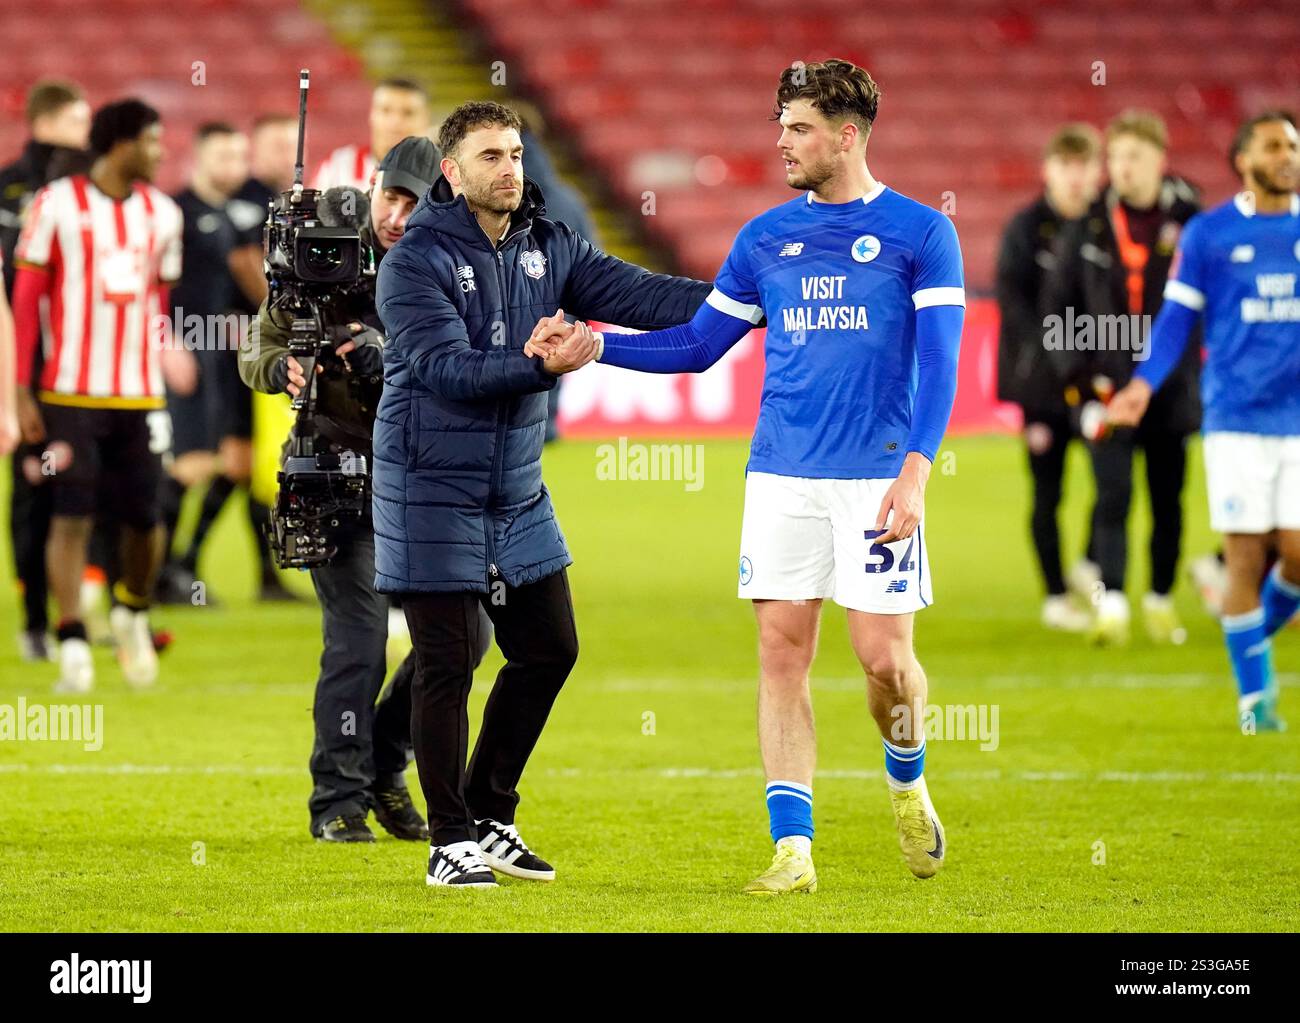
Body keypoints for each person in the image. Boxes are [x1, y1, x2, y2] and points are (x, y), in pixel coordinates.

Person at [529, 58, 964, 895]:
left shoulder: (920, 233)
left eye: (798, 129)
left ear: (847, 135)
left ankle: (906, 775)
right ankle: (793, 849)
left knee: (885, 664)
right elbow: (697, 345)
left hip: (874, 478)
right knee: (780, 653)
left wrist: (915, 473)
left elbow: (940, 368)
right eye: (781, 127)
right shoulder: (765, 238)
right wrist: (597, 346)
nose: (782, 143)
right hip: (780, 476)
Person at [375, 101, 710, 887]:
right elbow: (446, 371)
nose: (510, 168)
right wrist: (541, 368)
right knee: (446, 661)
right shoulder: (414, 261)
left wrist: (750, 296)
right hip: (429, 484)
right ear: (451, 175)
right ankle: (447, 839)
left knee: (551, 646)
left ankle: (491, 813)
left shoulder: (549, 243)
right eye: (490, 156)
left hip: (515, 488)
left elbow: (643, 296)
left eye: (517, 153)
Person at [241, 137, 454, 842]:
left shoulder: (452, 267)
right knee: (358, 637)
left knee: (462, 636)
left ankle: (386, 762)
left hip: (421, 479)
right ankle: (338, 799)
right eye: (390, 196)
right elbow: (256, 351)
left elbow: (466, 364)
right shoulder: (320, 252)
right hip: (330, 475)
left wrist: (387, 356)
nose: (397, 214)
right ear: (373, 186)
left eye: (413, 204)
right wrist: (285, 370)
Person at [1108, 111, 1300, 732]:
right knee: (1245, 559)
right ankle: (1256, 702)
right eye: (1274, 146)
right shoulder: (1209, 235)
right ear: (1243, 158)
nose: (1287, 156)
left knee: (1297, 555)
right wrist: (1142, 385)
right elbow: (1174, 322)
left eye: (1293, 146)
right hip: (1236, 420)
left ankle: (1248, 640)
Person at [12, 98, 184, 693]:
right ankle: (73, 644)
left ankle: (131, 610)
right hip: (68, 393)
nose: (161, 153)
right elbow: (28, 300)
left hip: (139, 395)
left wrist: (167, 350)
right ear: (122, 144)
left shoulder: (163, 215)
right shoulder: (55, 204)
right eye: (154, 141)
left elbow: (157, 302)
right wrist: (21, 389)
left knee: (146, 516)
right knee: (70, 516)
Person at [1045, 110, 1202, 645]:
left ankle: (1159, 599)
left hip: (1170, 385)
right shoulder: (1088, 223)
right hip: (1107, 388)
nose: (1122, 168)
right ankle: (1111, 604)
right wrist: (1082, 388)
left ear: (1160, 158)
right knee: (1111, 496)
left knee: (1168, 499)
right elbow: (1057, 307)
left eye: (1133, 156)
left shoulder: (1191, 219)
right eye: (1115, 157)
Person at [155, 123, 284, 604]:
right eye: (222, 156)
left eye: (238, 156)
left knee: (228, 462)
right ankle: (154, 571)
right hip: (186, 350)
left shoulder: (228, 215)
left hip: (218, 353)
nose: (233, 166)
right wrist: (165, 338)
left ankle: (172, 570)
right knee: (190, 464)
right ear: (198, 159)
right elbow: (159, 285)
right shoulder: (176, 212)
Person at [996, 124, 1103, 632]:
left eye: (1085, 166)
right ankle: (1056, 596)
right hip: (1042, 385)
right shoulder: (1025, 228)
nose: (1076, 178)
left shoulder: (1108, 227)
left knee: (1113, 481)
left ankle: (1089, 562)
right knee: (1047, 492)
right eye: (1067, 166)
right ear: (1049, 171)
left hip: (1099, 381)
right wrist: (1060, 355)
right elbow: (1014, 308)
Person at [1, 79, 91, 662]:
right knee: (34, 488)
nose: (87, 132)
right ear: (49, 121)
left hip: (82, 367)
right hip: (25, 362)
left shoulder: (87, 190)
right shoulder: (9, 188)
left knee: (85, 488)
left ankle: (76, 614)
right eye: (80, 120)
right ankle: (35, 619)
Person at [311, 79, 431, 192]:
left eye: (408, 113)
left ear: (425, 119)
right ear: (372, 114)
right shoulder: (336, 167)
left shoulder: (443, 175)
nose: (395, 121)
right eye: (385, 110)